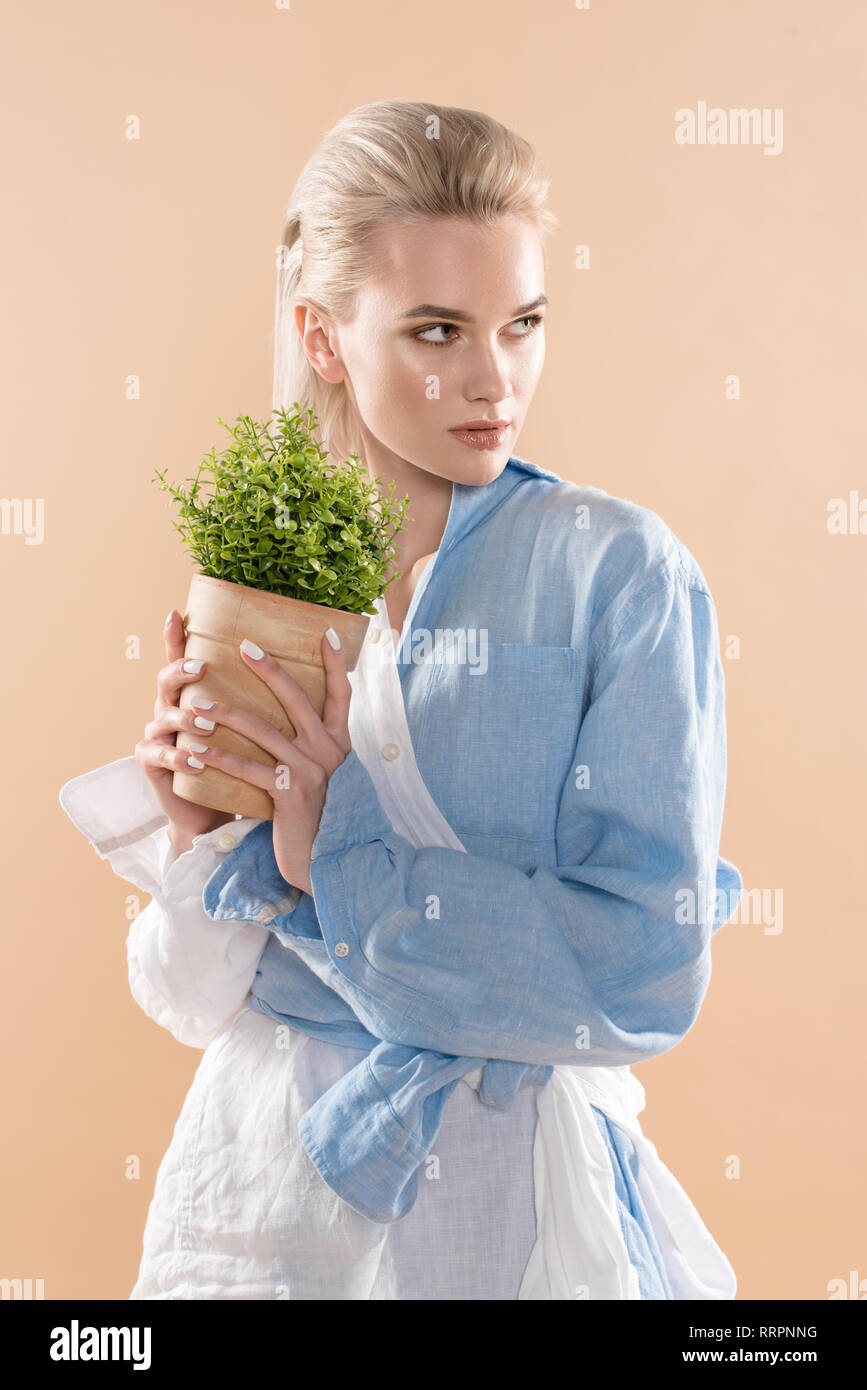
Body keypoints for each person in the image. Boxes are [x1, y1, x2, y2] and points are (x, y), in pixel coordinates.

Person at [59, 99, 742, 1299]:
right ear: (323, 337)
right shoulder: (257, 580)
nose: (495, 378)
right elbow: (193, 997)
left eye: (523, 323)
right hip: (260, 1206)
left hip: (512, 1212)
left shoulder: (618, 573)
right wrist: (191, 837)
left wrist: (340, 857)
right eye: (438, 331)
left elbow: (641, 970)